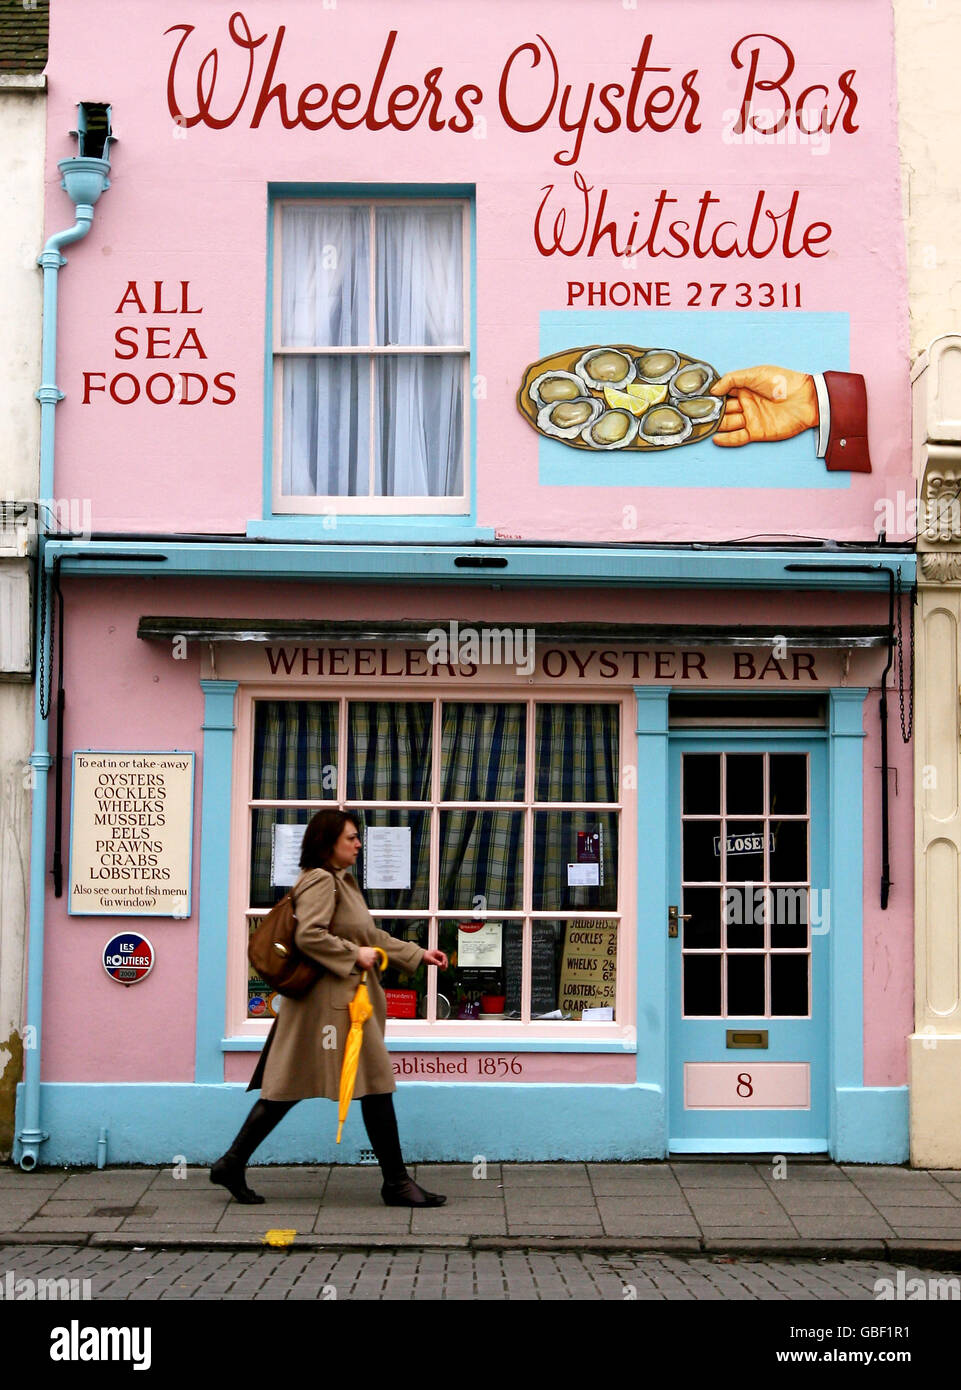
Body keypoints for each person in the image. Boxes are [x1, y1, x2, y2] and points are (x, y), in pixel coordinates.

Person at [210, 809, 449, 1207]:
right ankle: (396, 1183)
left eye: (358, 838)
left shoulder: (343, 882)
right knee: (372, 1085)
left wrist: (417, 954)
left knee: (292, 1086)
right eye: (351, 838)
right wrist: (354, 954)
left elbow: (369, 935)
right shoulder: (322, 880)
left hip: (334, 1003)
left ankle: (232, 1162)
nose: (359, 844)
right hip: (335, 1004)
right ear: (327, 844)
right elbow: (309, 936)